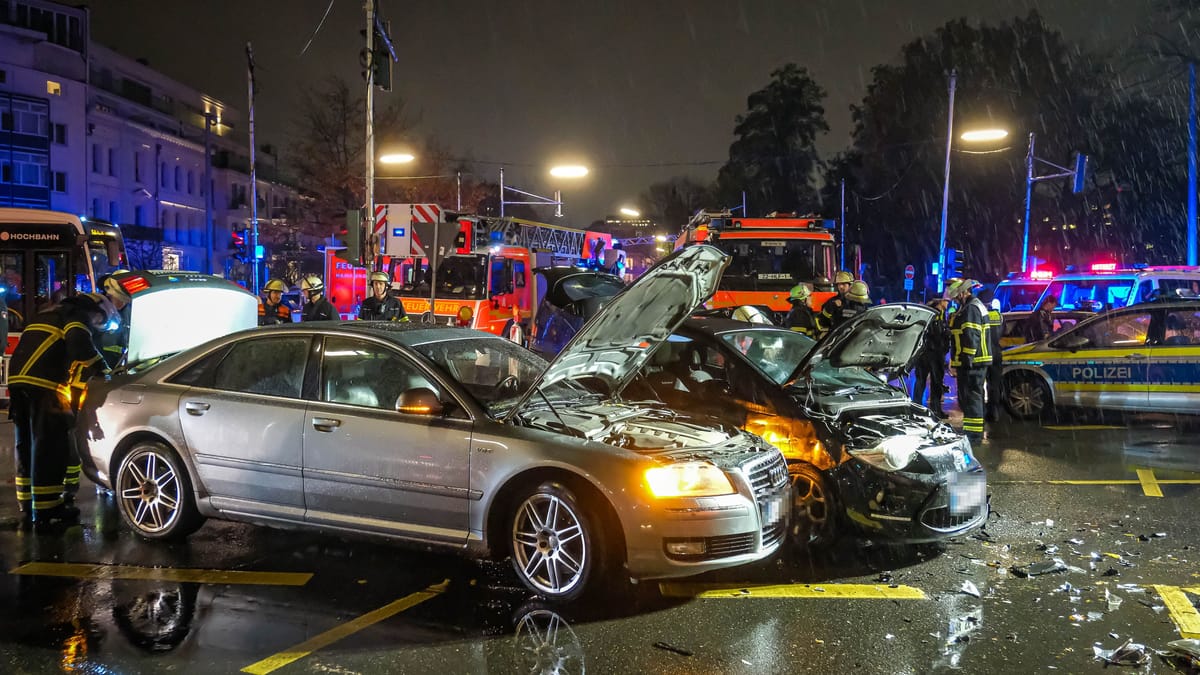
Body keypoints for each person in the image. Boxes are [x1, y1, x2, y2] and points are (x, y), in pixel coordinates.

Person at [9, 293, 116, 531]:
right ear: (95, 312)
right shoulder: (76, 318)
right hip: (45, 386)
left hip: (17, 383)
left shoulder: (47, 314)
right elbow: (81, 349)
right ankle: (49, 508)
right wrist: (106, 370)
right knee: (50, 446)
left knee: (25, 444)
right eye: (101, 322)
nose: (99, 328)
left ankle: (27, 503)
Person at [947, 279, 992, 445]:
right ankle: (973, 431)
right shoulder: (972, 306)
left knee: (971, 398)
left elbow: (971, 337)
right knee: (972, 397)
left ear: (962, 292)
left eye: (955, 296)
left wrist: (966, 361)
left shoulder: (971, 308)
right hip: (975, 362)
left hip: (973, 363)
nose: (954, 300)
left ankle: (973, 436)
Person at [913, 298, 950, 418]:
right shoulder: (936, 314)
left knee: (923, 382)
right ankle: (934, 410)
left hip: (928, 353)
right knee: (935, 382)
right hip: (932, 353)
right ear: (940, 302)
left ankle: (917, 408)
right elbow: (937, 334)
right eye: (946, 301)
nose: (948, 303)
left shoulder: (937, 314)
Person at [979, 288, 1006, 423]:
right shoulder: (999, 315)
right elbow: (1003, 332)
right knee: (994, 385)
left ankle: (982, 412)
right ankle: (993, 412)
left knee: (980, 384)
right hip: (997, 352)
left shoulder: (980, 315)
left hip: (984, 353)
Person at [96, 274, 133, 369]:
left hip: (119, 368)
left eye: (125, 300)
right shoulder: (97, 312)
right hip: (100, 367)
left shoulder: (130, 312)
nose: (122, 303)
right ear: (109, 294)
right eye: (119, 298)